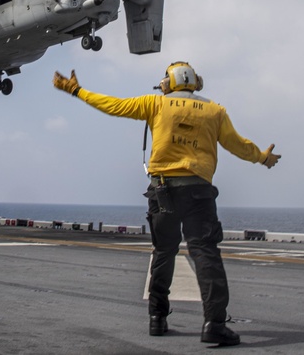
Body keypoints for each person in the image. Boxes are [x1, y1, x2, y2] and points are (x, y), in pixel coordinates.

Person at [53, 61, 280, 346]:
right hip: (199, 193)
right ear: (196, 82)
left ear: (168, 83)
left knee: (163, 252)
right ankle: (214, 324)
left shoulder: (155, 104)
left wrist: (77, 91)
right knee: (206, 254)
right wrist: (262, 157)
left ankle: (157, 319)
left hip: (162, 191)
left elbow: (112, 105)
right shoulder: (215, 111)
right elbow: (238, 145)